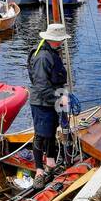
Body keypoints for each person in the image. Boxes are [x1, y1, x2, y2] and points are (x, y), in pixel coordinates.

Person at [28, 23, 70, 185]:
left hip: (51, 101)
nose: (62, 43)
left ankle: (51, 163)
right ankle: (39, 172)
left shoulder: (52, 52)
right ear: (56, 40)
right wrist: (59, 99)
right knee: (40, 136)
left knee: (51, 132)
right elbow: (41, 86)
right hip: (41, 103)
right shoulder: (43, 57)